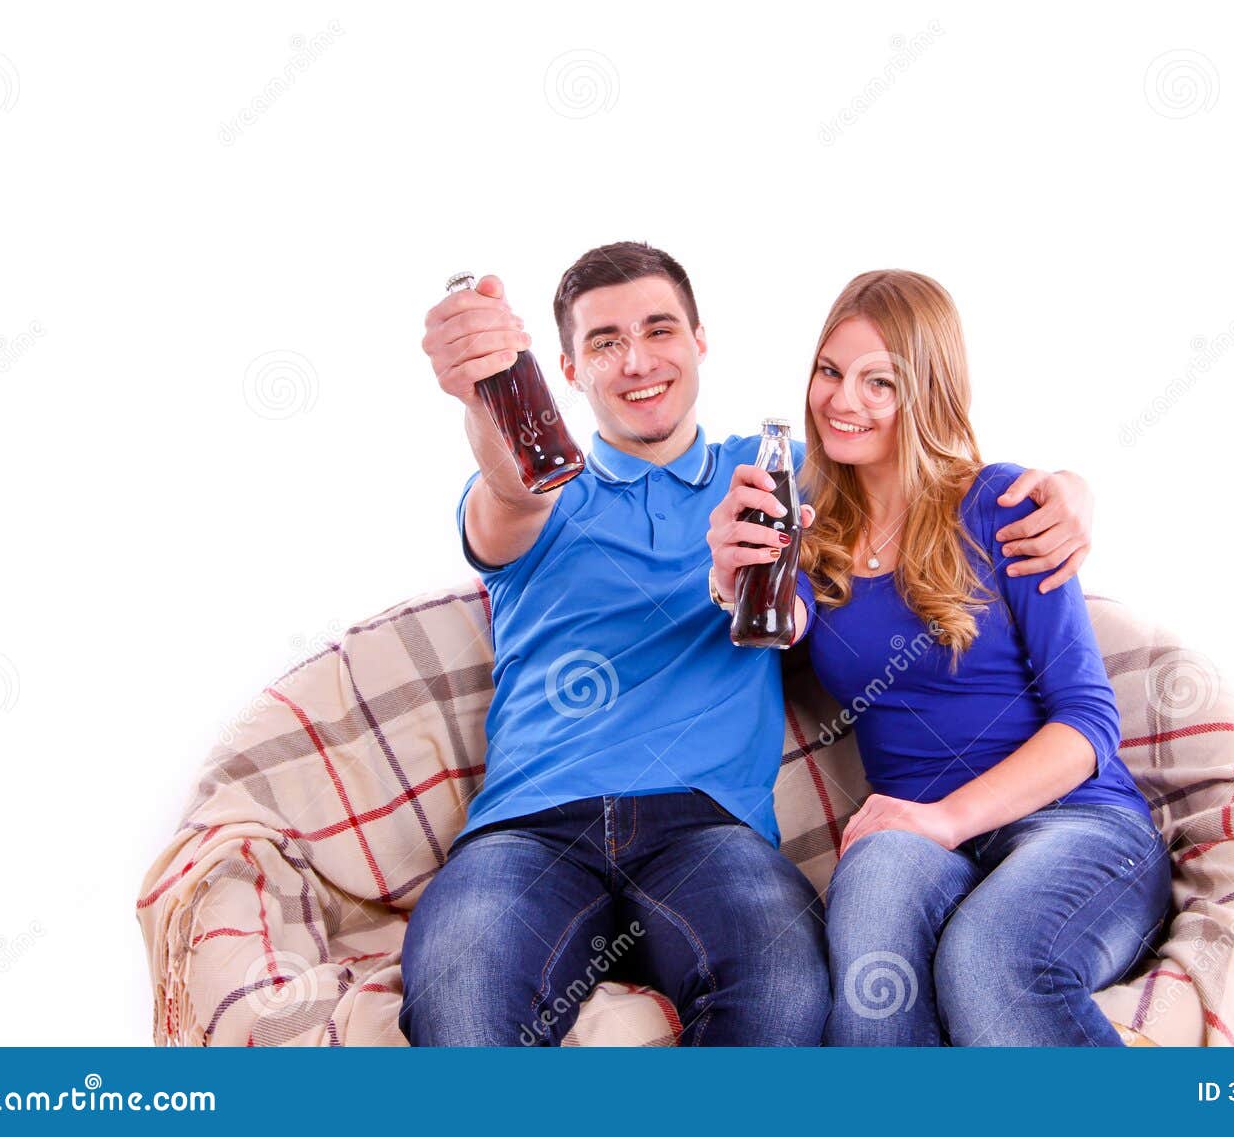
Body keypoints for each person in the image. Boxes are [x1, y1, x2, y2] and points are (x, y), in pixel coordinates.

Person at [401, 244, 1098, 1046]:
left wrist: (1070, 490)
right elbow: (509, 485)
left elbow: (917, 478)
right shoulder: (539, 493)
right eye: (603, 343)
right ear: (565, 367)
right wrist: (486, 397)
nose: (636, 361)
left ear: (701, 339)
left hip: (708, 829)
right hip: (529, 828)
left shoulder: (789, 481)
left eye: (659, 329)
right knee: (459, 1000)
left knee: (783, 998)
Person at [706, 269, 1169, 1046]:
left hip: (1072, 824)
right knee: (871, 975)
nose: (842, 400)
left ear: (927, 391)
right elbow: (778, 621)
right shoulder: (812, 534)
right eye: (830, 371)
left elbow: (1089, 722)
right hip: (915, 837)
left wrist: (946, 818)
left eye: (878, 381)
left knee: (988, 957)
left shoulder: (1005, 506)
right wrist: (731, 577)